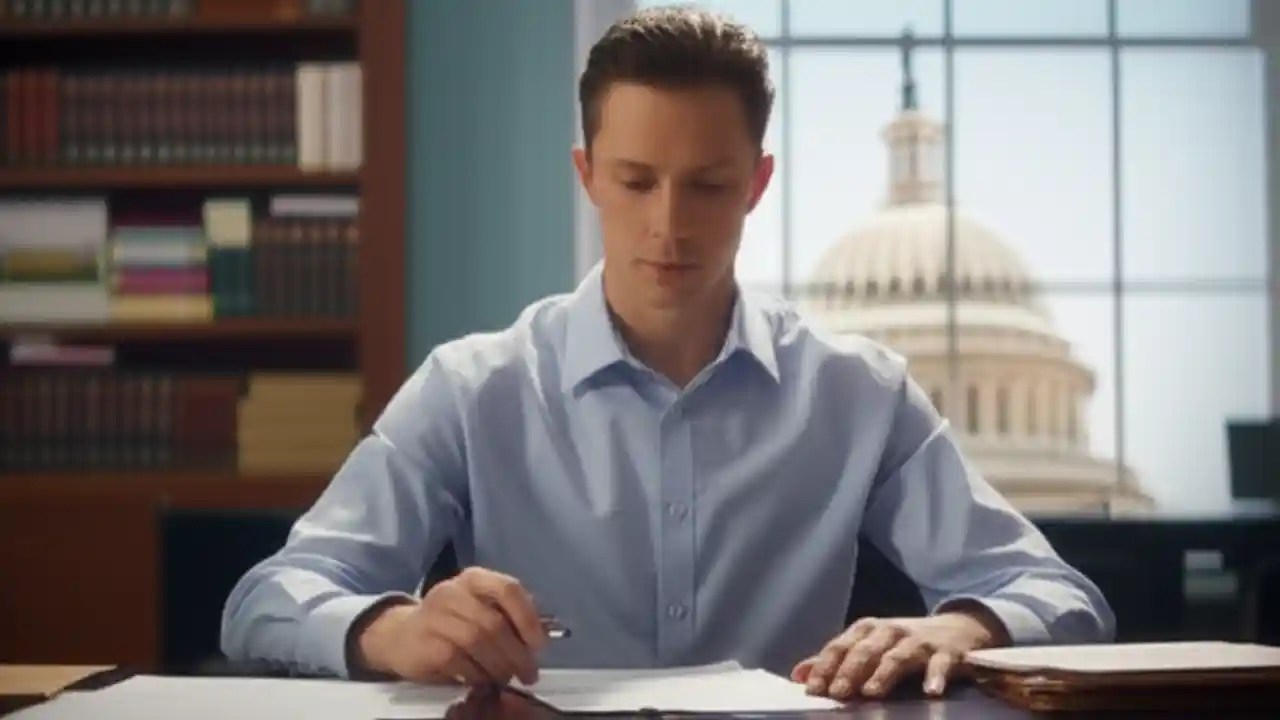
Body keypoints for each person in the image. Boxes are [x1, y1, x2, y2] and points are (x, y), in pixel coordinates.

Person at [221, 5, 1114, 701]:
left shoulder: (859, 394)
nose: (669, 226)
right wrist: (390, 630)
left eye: (709, 186)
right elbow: (270, 596)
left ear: (757, 184)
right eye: (636, 181)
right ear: (587, 177)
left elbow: (1057, 595)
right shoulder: (472, 387)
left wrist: (960, 628)